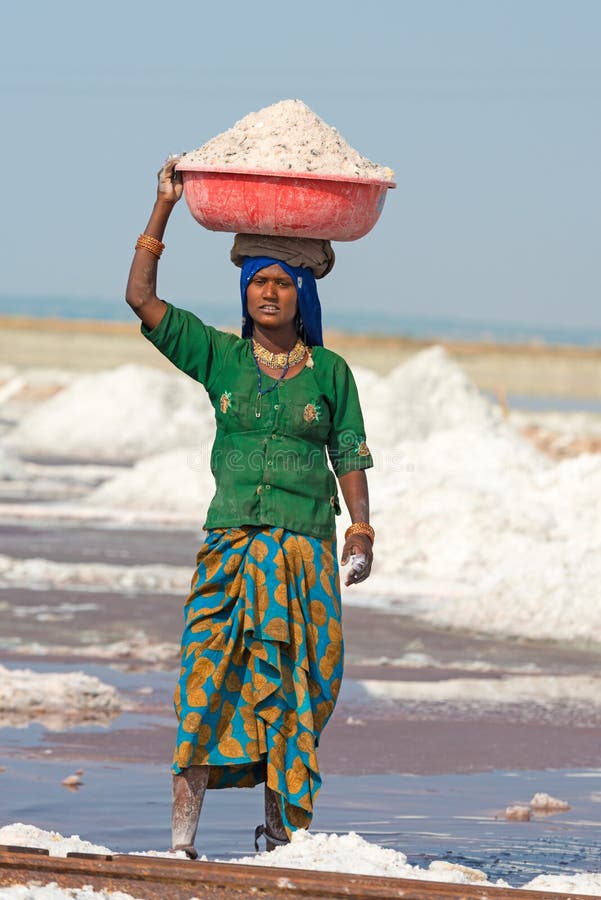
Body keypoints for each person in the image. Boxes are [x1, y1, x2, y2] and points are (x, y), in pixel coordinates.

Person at [125, 157, 375, 858]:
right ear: (245, 294)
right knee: (206, 679)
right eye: (257, 283)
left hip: (301, 551)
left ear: (301, 295)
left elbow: (348, 453)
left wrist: (359, 527)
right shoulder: (221, 358)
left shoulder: (330, 373)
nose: (268, 294)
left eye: (281, 283)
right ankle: (181, 843)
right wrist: (164, 207)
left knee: (294, 690)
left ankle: (280, 838)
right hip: (231, 550)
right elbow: (142, 300)